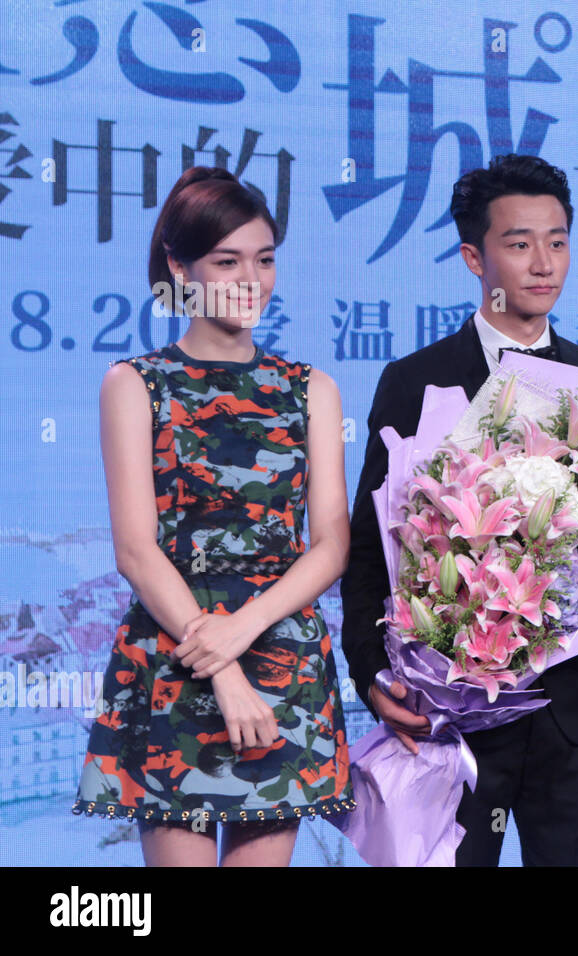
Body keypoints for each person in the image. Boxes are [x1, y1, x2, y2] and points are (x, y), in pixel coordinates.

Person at [341, 153, 578, 867]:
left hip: (569, 709)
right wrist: (369, 673)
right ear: (474, 256)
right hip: (451, 715)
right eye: (519, 244)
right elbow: (370, 545)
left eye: (558, 240)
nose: (543, 263)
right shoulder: (416, 381)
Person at [74, 166, 354, 866]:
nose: (250, 279)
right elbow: (137, 550)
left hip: (283, 656)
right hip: (176, 657)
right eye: (226, 261)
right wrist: (221, 665)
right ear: (179, 265)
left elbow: (330, 544)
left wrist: (247, 630)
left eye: (263, 260)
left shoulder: (310, 389)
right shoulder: (134, 385)